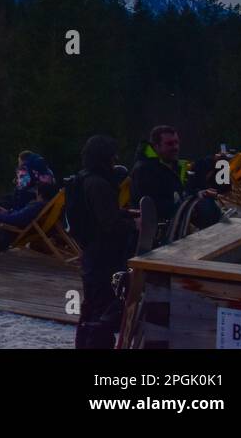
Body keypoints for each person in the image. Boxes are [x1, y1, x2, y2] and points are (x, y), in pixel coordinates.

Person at [66, 135, 139, 349]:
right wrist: (135, 224)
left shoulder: (83, 179)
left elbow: (100, 215)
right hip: (103, 255)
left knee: (91, 307)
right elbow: (109, 224)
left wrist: (125, 214)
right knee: (103, 310)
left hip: (91, 252)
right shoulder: (98, 183)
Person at [130, 125, 220, 233]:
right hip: (159, 229)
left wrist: (199, 194)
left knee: (209, 205)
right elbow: (153, 205)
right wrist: (186, 208)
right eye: (169, 144)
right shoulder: (144, 170)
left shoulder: (172, 165)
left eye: (177, 142)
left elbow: (180, 192)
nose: (175, 147)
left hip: (179, 218)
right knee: (206, 210)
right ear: (156, 146)